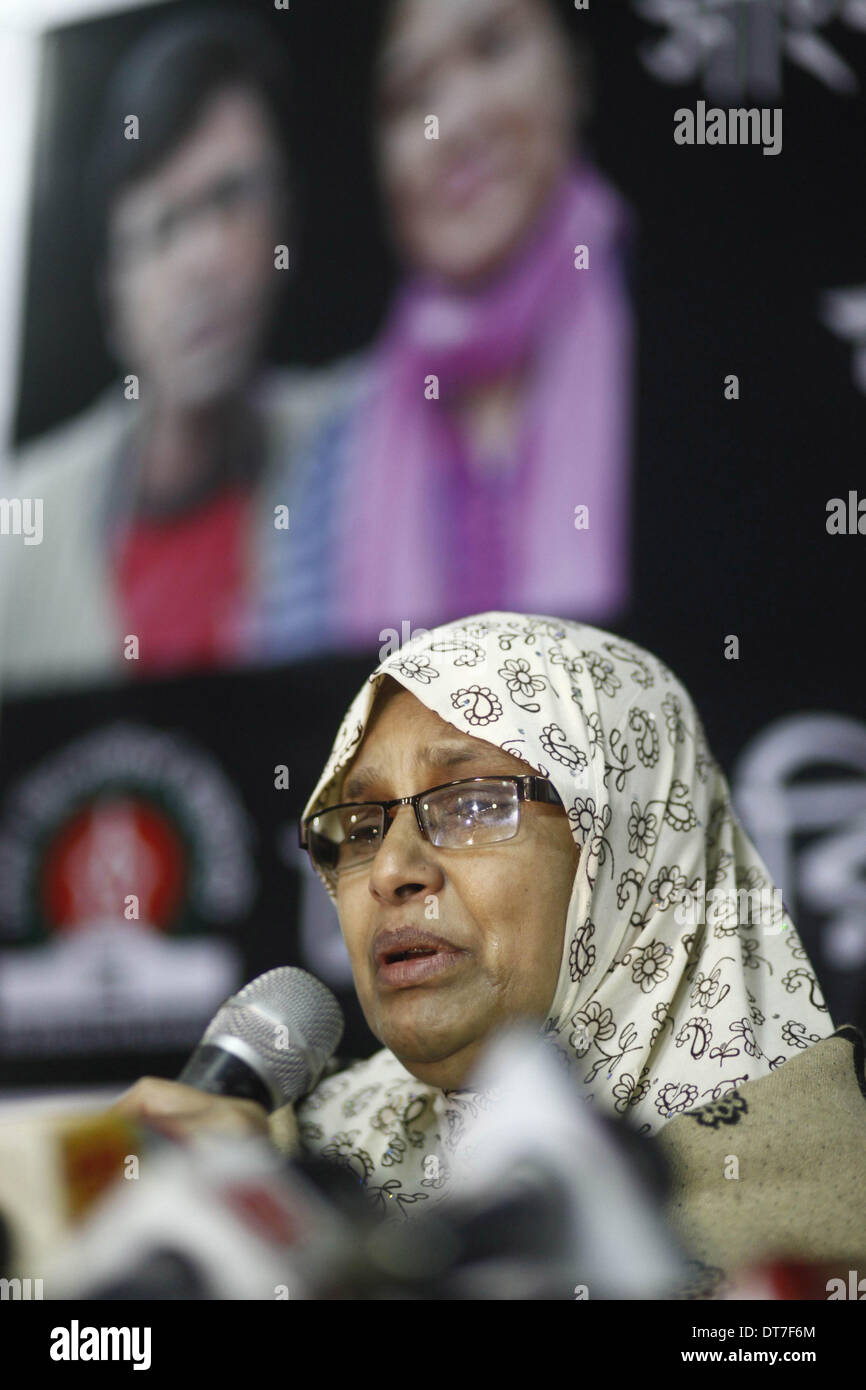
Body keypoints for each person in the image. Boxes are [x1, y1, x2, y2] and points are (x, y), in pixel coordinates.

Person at [114, 613, 866, 1291]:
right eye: (363, 826)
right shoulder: (301, 1145)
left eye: (473, 803)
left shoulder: (819, 1211)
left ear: (637, 849)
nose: (388, 870)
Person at [257, 0, 635, 656]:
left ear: (575, 68)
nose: (455, 124)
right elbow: (293, 721)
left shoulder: (695, 347)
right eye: (409, 99)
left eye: (491, 50)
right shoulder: (327, 461)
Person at [0, 12, 349, 692]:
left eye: (231, 198)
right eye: (162, 228)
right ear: (112, 294)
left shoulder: (365, 441)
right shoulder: (22, 530)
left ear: (287, 222)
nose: (203, 260)